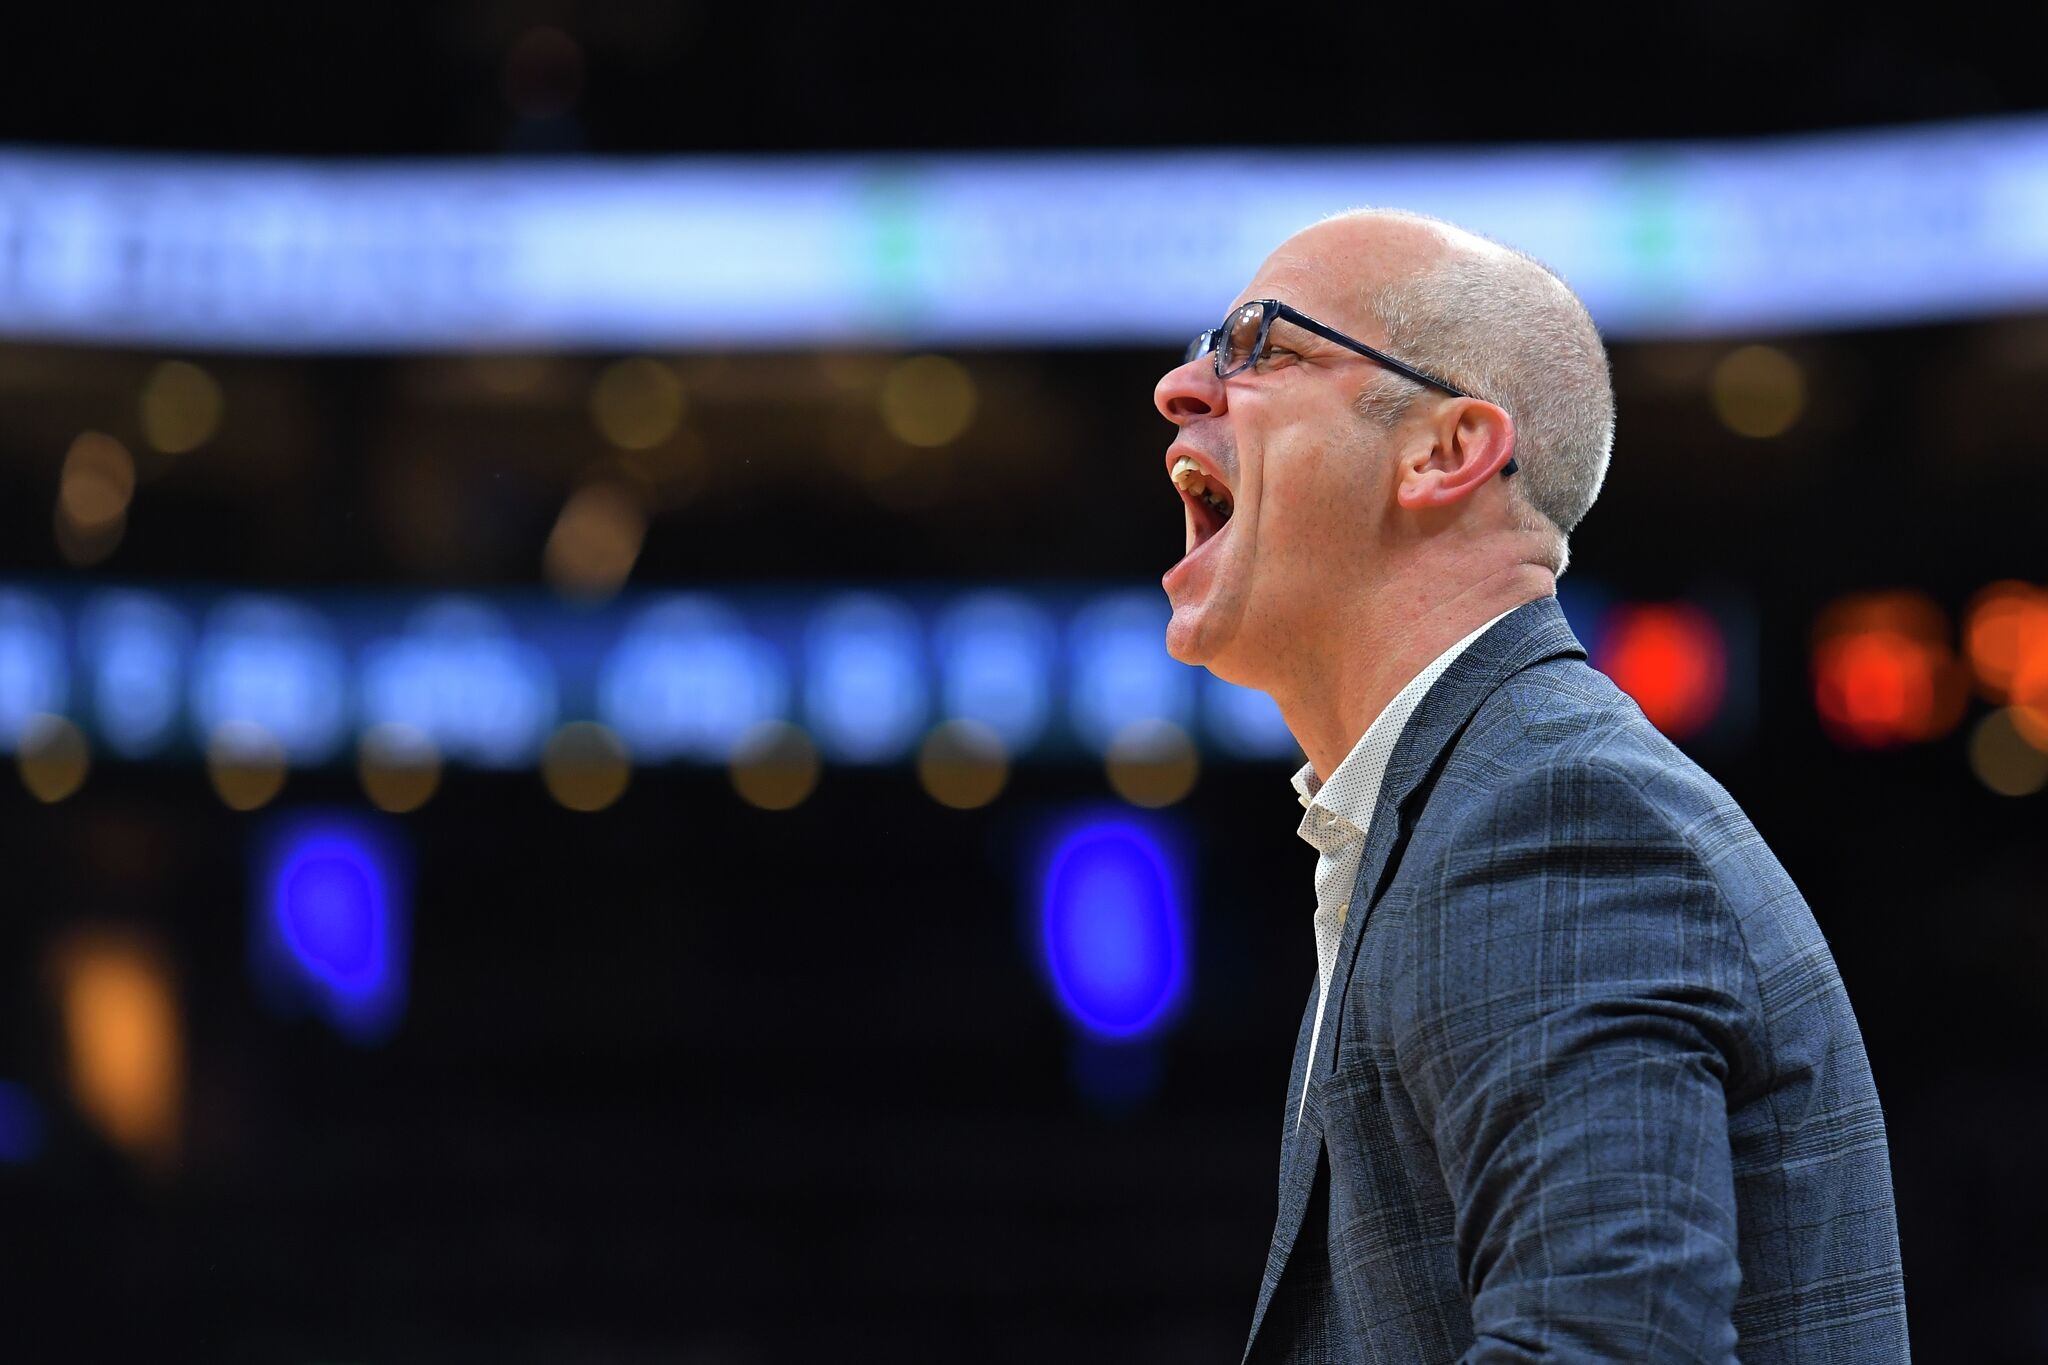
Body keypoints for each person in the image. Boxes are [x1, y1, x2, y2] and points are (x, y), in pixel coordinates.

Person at [1153, 209, 1908, 1362]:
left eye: (1262, 344)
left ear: (1442, 452)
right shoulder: (1459, 802)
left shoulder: (1547, 813)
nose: (1179, 386)